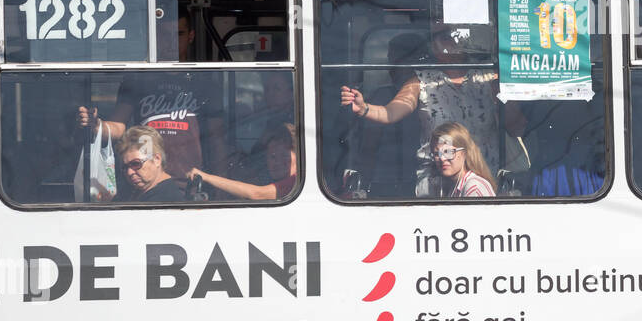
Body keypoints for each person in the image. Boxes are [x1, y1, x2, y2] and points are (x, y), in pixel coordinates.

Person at [341, 22, 525, 195]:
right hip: (436, 185)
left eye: (454, 35)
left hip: (480, 180)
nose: (449, 42)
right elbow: (392, 112)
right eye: (440, 37)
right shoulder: (421, 80)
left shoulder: (488, 76)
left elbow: (517, 128)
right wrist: (365, 108)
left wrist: (501, 96)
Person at [76, 11, 228, 182]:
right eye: (165, 35)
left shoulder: (204, 81)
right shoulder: (139, 78)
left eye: (179, 34)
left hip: (191, 180)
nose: (172, 42)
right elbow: (119, 126)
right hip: (146, 180)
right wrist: (97, 125)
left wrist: (219, 181)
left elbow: (217, 138)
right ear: (154, 37)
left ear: (191, 36)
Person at [189, 123, 298, 202]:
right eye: (273, 156)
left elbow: (257, 194)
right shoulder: (266, 178)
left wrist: (206, 177)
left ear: (299, 158)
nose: (278, 162)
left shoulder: (295, 181)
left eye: (285, 156)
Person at [118, 126, 187, 203]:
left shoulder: (164, 201)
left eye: (136, 164)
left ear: (157, 159)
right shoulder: (135, 192)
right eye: (125, 167)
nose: (129, 172)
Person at [428, 122, 497, 198]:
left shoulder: (474, 187)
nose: (442, 158)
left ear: (464, 153)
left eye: (448, 152)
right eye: (437, 154)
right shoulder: (454, 187)